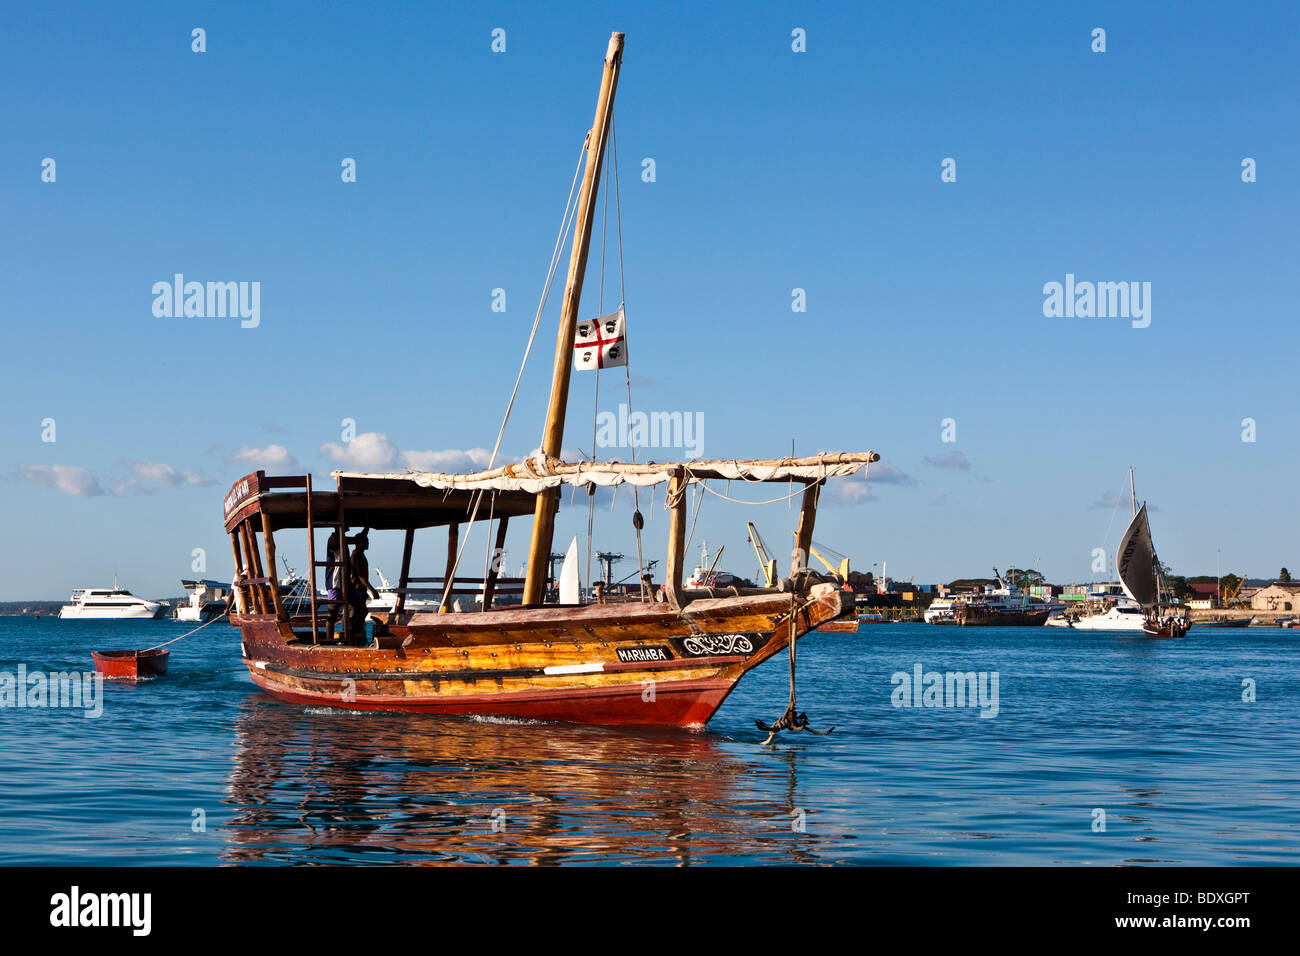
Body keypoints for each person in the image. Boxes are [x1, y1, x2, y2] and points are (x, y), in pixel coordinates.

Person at [347, 530, 380, 645]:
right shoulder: (356, 555)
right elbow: (360, 576)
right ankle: (352, 637)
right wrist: (372, 590)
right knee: (358, 613)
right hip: (356, 589)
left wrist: (367, 526)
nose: (368, 543)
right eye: (366, 541)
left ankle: (358, 637)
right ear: (360, 543)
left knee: (361, 613)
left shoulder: (360, 554)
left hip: (360, 590)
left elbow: (363, 535)